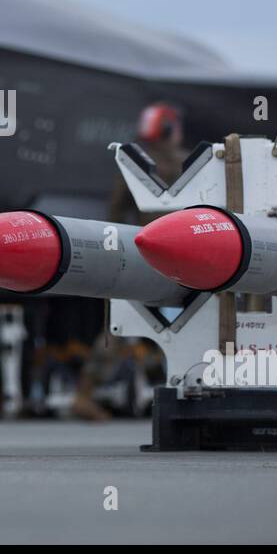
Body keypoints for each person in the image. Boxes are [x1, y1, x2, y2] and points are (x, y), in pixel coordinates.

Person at [73, 102, 190, 421]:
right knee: (195, 326)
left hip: (145, 258)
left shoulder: (135, 166)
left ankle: (85, 392)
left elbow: (115, 213)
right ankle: (191, 395)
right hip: (191, 260)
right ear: (169, 129)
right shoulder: (190, 164)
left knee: (122, 325)